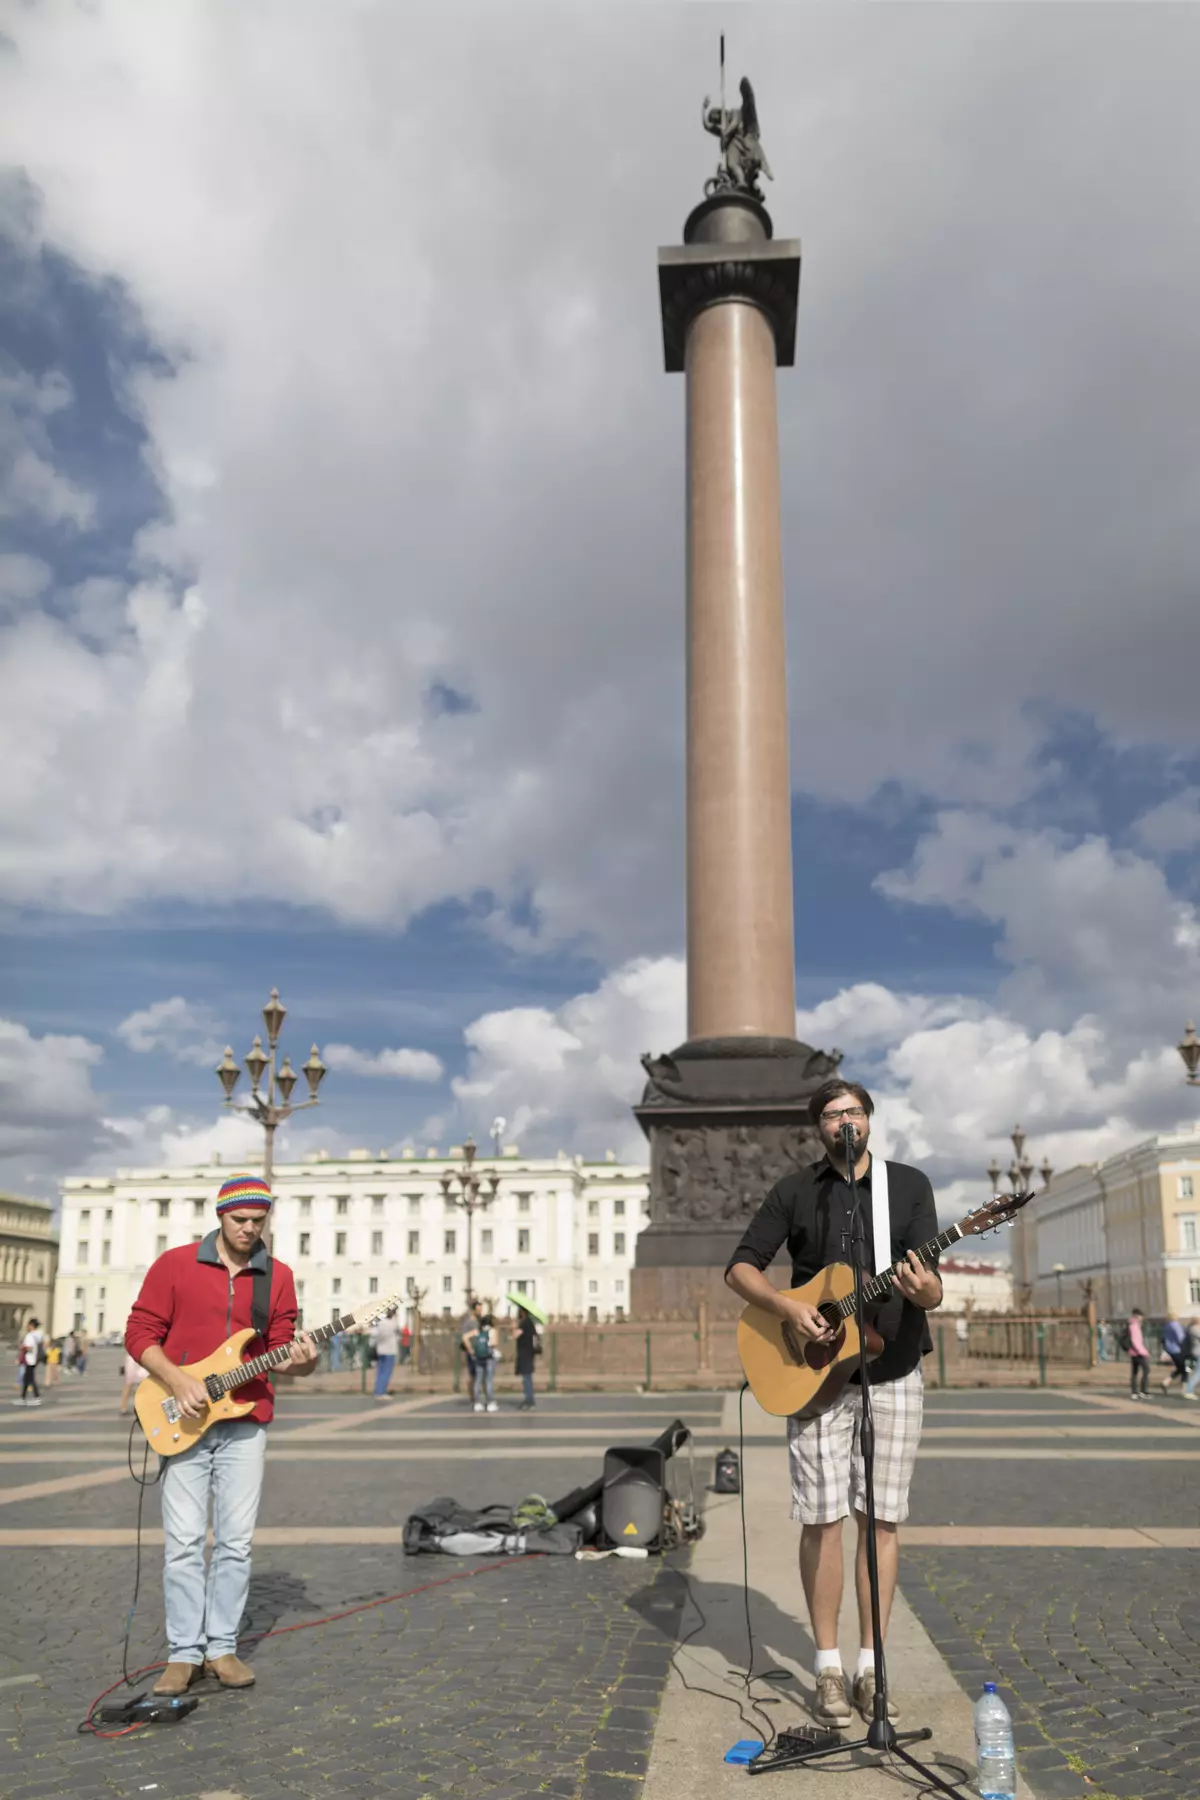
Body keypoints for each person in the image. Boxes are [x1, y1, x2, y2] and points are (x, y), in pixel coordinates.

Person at [725, 1078, 943, 1729]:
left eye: (852, 1110)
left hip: (894, 1369)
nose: (842, 1121)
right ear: (818, 1128)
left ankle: (872, 1668)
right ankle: (826, 1665)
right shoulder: (796, 1191)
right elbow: (740, 1266)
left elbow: (929, 1294)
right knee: (821, 1520)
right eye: (830, 1114)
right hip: (813, 1380)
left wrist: (927, 1291)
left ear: (869, 1119)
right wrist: (788, 1306)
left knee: (881, 1520)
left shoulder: (909, 1187)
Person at [125, 1173, 318, 1697]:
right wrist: (177, 1378)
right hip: (181, 1418)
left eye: (259, 1221)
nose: (250, 1229)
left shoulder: (277, 1276)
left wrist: (306, 1361)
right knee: (184, 1542)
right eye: (240, 1220)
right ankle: (183, 1653)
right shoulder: (176, 1265)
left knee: (235, 1542)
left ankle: (222, 1648)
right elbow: (139, 1332)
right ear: (220, 1216)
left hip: (246, 1420)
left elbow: (281, 1352)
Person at [466, 1313, 499, 1413]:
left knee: (478, 1380)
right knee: (488, 1380)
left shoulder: (478, 1331)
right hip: (489, 1358)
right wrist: (490, 1345)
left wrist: (471, 1350)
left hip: (478, 1358)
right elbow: (494, 1343)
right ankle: (490, 1403)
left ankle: (477, 1403)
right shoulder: (493, 1331)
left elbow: (465, 1337)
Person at [371, 1307, 401, 1400]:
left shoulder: (380, 1323)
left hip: (380, 1350)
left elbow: (374, 1334)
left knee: (380, 1372)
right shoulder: (393, 1323)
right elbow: (398, 1333)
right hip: (390, 1350)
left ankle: (377, 1391)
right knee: (386, 1372)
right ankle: (381, 1391)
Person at [514, 1306, 540, 1410]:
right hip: (529, 1353)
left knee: (526, 1378)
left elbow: (515, 1335)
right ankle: (528, 1399)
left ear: (523, 1312)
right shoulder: (530, 1323)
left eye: (519, 1311)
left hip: (525, 1353)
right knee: (527, 1377)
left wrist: (514, 1327)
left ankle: (530, 1401)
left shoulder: (525, 1323)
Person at [459, 1298, 483, 1404]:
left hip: (481, 1350)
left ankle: (478, 1393)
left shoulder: (480, 1321)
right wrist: (470, 1351)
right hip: (472, 1352)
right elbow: (464, 1337)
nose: (480, 1312)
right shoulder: (468, 1323)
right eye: (478, 1310)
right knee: (473, 1374)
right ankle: (473, 1395)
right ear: (474, 1310)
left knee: (480, 1374)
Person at [16, 1318, 44, 1407]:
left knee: (30, 1379)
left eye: (28, 1325)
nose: (27, 1326)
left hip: (29, 1359)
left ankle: (37, 1397)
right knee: (27, 1379)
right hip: (35, 1359)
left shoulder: (30, 1336)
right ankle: (23, 1398)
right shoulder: (38, 1335)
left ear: (31, 1326)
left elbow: (29, 1348)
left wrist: (22, 1347)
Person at [1159, 1313, 1189, 1393]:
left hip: (1170, 1350)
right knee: (1183, 1370)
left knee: (1180, 1368)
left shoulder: (1166, 1326)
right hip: (1178, 1350)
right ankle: (1185, 1389)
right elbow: (1181, 1338)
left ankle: (1166, 1382)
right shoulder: (1176, 1325)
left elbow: (1163, 1338)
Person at [1125, 1306, 1150, 1398]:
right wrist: (1143, 1351)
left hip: (1133, 1352)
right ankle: (1143, 1391)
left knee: (1135, 1372)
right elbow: (1136, 1341)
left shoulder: (1131, 1325)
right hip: (1138, 1353)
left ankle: (1134, 1392)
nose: (1142, 1318)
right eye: (1141, 1316)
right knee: (1146, 1370)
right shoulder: (1134, 1326)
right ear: (1137, 1316)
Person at [120, 1348, 148, 1416]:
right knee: (129, 1383)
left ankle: (141, 1407)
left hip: (141, 1357)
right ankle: (123, 1408)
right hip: (134, 1357)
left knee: (143, 1383)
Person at [1181, 1318, 1200, 1402]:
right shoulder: (1194, 1329)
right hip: (1198, 1352)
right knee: (1198, 1373)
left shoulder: (1193, 1329)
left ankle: (1188, 1390)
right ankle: (1188, 1390)